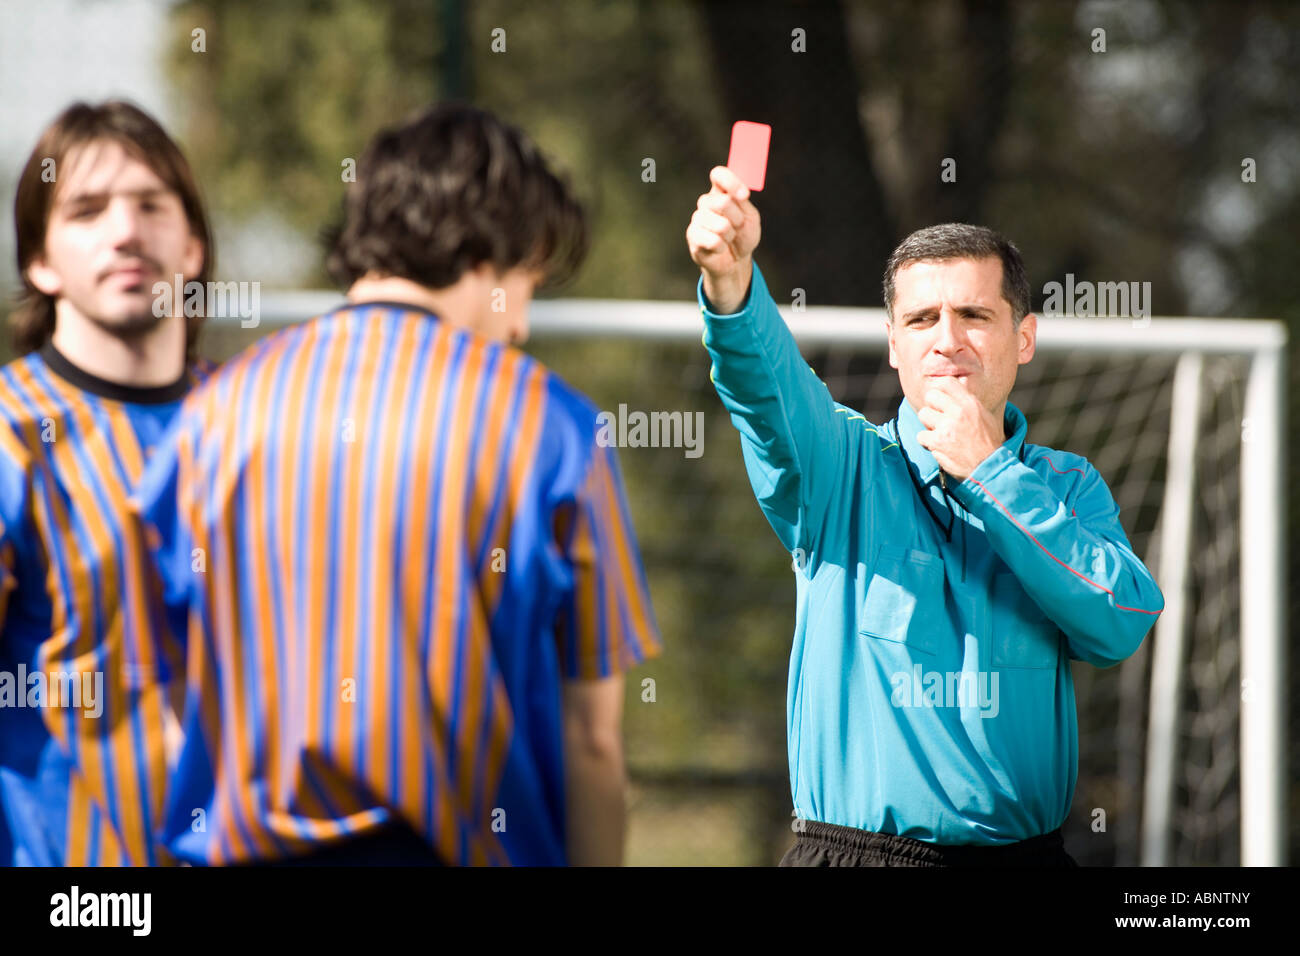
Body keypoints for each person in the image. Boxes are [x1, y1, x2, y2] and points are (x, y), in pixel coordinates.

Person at [129, 103, 662, 866]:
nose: (521, 324)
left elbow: (167, 688)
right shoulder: (551, 425)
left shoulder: (212, 414)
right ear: (494, 247)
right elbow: (594, 740)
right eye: (531, 279)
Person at [686, 166, 1165, 867]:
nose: (947, 340)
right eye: (921, 319)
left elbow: (1120, 622)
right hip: (856, 855)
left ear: (1023, 338)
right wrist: (730, 288)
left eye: (974, 315)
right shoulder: (841, 467)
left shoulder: (1068, 484)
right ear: (894, 345)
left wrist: (991, 472)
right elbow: (768, 393)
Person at [0, 100, 215, 865]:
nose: (127, 232)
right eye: (88, 210)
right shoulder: (10, 434)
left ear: (192, 247)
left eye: (151, 205)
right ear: (41, 260)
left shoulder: (258, 427)